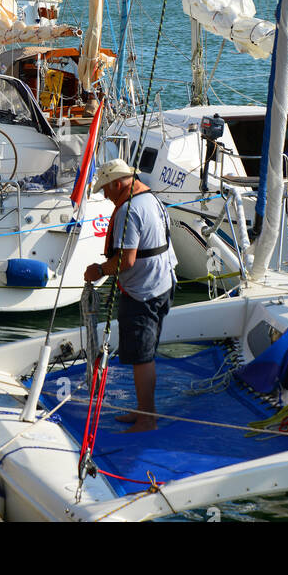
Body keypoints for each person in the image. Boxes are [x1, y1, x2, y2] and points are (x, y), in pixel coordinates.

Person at [83, 158, 177, 432]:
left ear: (117, 183)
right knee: (144, 353)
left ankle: (147, 418)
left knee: (141, 357)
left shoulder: (128, 210)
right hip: (163, 283)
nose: (105, 195)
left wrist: (100, 269)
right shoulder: (152, 199)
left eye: (106, 189)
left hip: (143, 292)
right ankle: (143, 410)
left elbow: (126, 260)